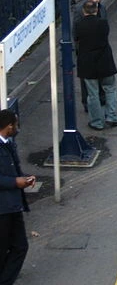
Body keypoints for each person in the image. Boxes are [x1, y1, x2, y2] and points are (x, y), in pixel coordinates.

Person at [0, 109, 35, 285]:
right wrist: (16, 182)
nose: (17, 127)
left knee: (20, 246)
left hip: (13, 206)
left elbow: (13, 168)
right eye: (16, 124)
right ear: (9, 127)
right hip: (3, 209)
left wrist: (25, 179)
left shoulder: (8, 142)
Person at [74, 0, 117, 131]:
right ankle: (112, 117)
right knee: (110, 89)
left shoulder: (79, 25)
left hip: (88, 63)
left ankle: (97, 122)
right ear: (96, 10)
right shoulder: (103, 23)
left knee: (92, 94)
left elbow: (76, 39)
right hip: (105, 61)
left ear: (83, 11)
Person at [73, 0, 107, 112]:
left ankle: (101, 98)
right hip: (85, 50)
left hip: (99, 48)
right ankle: (87, 103)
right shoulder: (79, 10)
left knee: (101, 75)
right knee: (86, 79)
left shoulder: (102, 8)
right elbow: (76, 31)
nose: (94, 0)